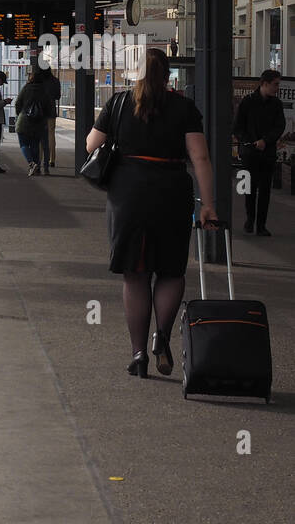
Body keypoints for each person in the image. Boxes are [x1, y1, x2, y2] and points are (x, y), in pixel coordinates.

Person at [86, 47, 218, 379]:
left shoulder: (118, 103)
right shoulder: (184, 108)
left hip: (128, 195)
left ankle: (139, 354)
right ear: (168, 73)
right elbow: (200, 158)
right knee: (170, 271)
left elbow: (91, 145)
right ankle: (162, 335)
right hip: (171, 194)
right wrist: (208, 205)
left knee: (136, 273)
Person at [232, 69, 286, 236]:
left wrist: (266, 140)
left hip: (267, 153)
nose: (277, 88)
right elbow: (238, 127)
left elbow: (280, 126)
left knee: (265, 190)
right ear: (265, 83)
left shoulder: (276, 104)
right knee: (248, 187)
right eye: (275, 84)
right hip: (249, 153)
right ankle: (250, 220)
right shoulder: (247, 102)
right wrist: (250, 142)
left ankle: (261, 225)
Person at [14, 69, 50, 175]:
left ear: (31, 78)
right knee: (35, 145)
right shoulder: (44, 90)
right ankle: (37, 168)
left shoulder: (26, 88)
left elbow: (17, 103)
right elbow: (48, 107)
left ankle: (31, 164)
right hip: (39, 122)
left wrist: (19, 114)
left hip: (24, 120)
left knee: (23, 144)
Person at [40, 65, 62, 168]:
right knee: (51, 135)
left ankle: (39, 159)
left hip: (40, 112)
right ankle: (51, 160)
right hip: (51, 111)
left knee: (39, 135)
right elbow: (58, 96)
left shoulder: (39, 80)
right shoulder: (55, 81)